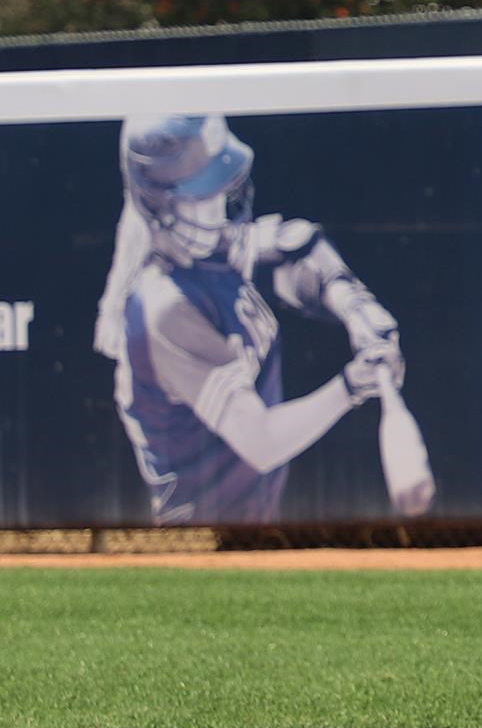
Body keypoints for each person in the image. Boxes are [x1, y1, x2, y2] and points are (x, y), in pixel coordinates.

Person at [95, 113, 408, 525]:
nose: (221, 205)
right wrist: (352, 386)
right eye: (203, 194)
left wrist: (354, 305)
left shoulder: (207, 249)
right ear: (159, 204)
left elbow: (295, 246)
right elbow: (261, 442)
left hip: (252, 525)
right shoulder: (163, 309)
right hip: (199, 544)